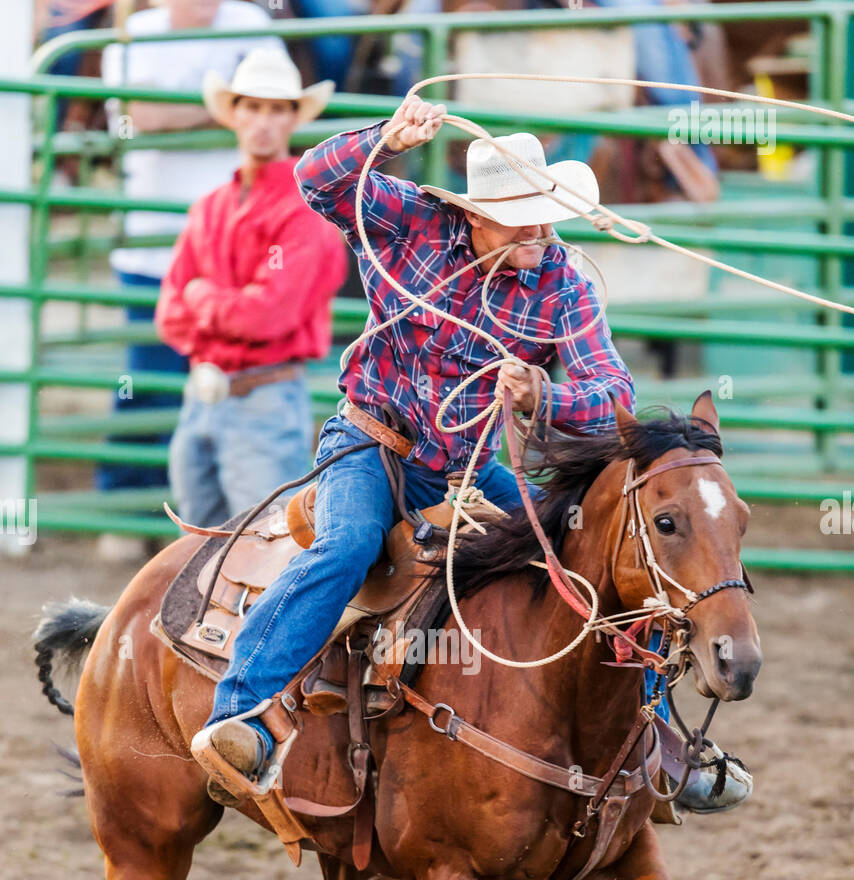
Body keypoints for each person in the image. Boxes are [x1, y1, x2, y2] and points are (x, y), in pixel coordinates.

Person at [194, 94, 749, 814]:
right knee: (348, 544)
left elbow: (611, 389)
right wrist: (386, 138)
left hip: (468, 466)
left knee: (594, 557)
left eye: (547, 210)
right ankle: (240, 718)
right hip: (371, 439)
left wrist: (541, 394)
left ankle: (660, 743)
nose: (544, 229)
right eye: (525, 213)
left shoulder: (561, 282)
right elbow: (318, 180)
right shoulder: (410, 223)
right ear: (477, 215)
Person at [97, 0, 285, 558]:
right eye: (242, 107)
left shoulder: (250, 23)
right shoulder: (133, 33)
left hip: (236, 252)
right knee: (147, 382)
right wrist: (222, 107)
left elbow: (265, 106)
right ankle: (127, 509)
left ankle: (221, 526)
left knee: (237, 382)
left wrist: (195, 110)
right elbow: (138, 118)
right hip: (155, 244)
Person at [155, 48, 347, 525]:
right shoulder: (211, 206)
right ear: (234, 115)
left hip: (263, 399)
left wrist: (202, 297)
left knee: (260, 542)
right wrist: (229, 310)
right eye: (252, 106)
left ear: (292, 119)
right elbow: (168, 316)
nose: (262, 121)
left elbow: (269, 315)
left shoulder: (303, 212)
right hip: (206, 393)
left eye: (276, 108)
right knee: (199, 542)